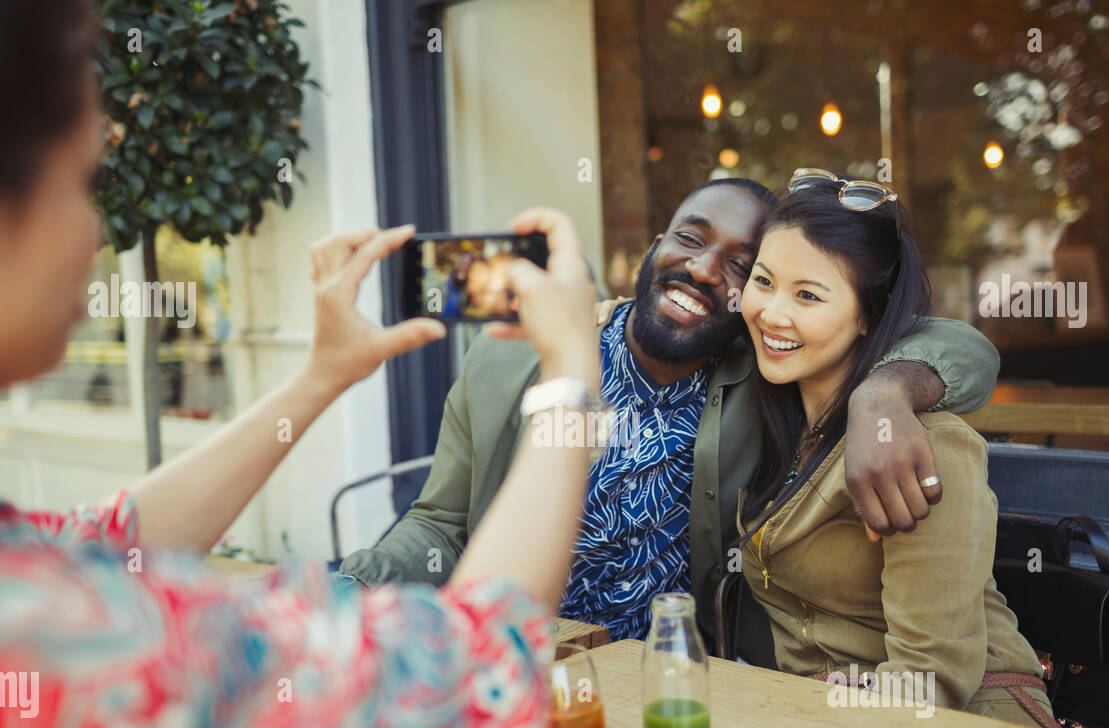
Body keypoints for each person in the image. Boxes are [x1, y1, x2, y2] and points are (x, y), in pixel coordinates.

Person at [0, 0, 601, 728]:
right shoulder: (47, 644)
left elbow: (100, 541)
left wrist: (320, 378)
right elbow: (459, 690)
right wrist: (573, 376)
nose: (97, 231)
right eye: (85, 182)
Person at [341, 178, 1003, 660]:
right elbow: (440, 522)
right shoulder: (510, 360)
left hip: (675, 682)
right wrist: (353, 586)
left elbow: (957, 344)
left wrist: (883, 392)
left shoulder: (761, 371)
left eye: (745, 268)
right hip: (522, 660)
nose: (704, 269)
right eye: (690, 239)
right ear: (654, 248)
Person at [733, 172, 1065, 728]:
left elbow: (928, 682)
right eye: (763, 282)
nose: (771, 313)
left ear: (867, 315)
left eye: (808, 295)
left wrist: (788, 716)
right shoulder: (780, 410)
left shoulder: (923, 444)